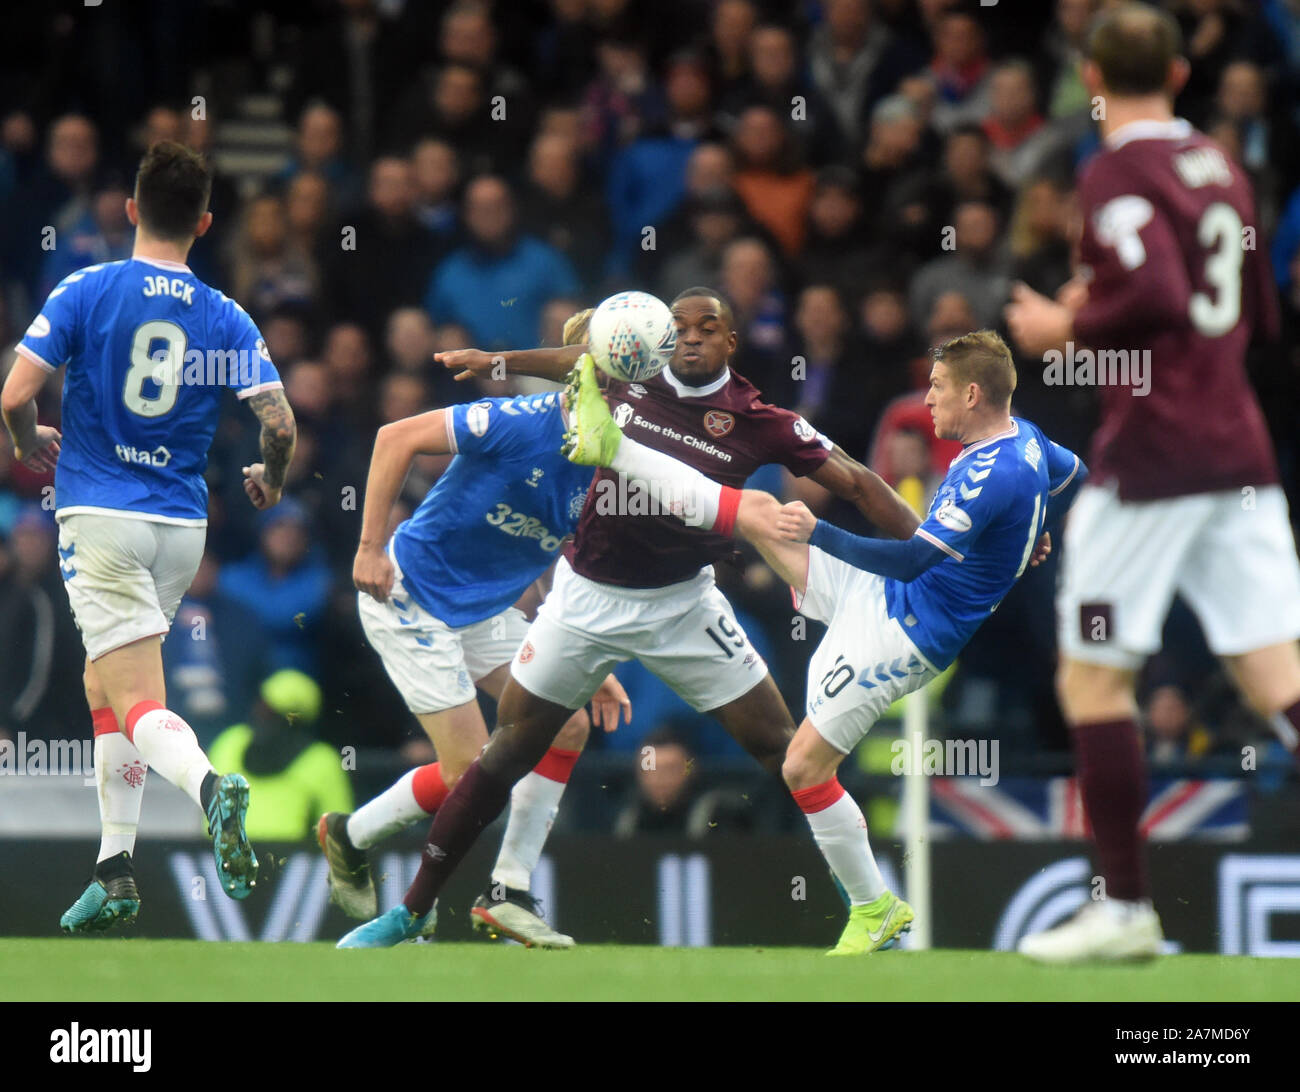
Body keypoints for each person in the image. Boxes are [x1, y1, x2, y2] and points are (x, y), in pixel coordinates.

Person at [336, 286, 921, 949]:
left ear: (732, 342)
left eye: (709, 328)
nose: (693, 337)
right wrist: (498, 360)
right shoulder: (628, 384)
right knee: (503, 755)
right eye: (682, 327)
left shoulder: (763, 422)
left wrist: (942, 554)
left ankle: (871, 903)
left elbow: (859, 482)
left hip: (684, 606)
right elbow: (580, 359)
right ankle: (413, 913)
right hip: (586, 601)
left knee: (782, 748)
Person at [558, 329, 1078, 953]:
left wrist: (820, 530)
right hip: (886, 599)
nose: (928, 400)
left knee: (802, 765)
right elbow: (1074, 472)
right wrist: (1032, 531)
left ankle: (872, 907)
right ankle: (617, 449)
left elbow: (913, 561)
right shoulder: (1027, 440)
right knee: (757, 514)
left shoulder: (990, 476)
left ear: (972, 392)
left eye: (937, 388)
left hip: (901, 634)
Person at [1004, 4, 1300, 963]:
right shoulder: (1222, 165)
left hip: (1152, 467)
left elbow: (1161, 294)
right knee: (1279, 678)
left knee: (1094, 674)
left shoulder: (1115, 172)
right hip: (1239, 457)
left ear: (1091, 78)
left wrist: (1061, 329)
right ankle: (1123, 908)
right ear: (1177, 75)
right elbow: (1253, 316)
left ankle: (1124, 907)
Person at [0, 140, 296, 932]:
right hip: (181, 527)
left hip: (101, 516)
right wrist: (271, 478)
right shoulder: (225, 314)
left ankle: (209, 787)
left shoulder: (88, 287)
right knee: (106, 687)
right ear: (202, 222)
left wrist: (28, 442)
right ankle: (115, 866)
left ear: (131, 209)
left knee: (133, 697)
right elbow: (280, 421)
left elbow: (16, 392)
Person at [321, 307, 629, 949]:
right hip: (411, 594)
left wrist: (578, 656)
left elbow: (552, 556)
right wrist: (370, 547)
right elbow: (393, 438)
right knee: (467, 769)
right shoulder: (519, 422)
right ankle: (351, 836)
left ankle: (509, 891)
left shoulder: (611, 462)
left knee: (565, 721)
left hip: (484, 610)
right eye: (614, 372)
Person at [208, 670, 353, 842]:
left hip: (293, 865)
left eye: (276, 716)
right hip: (217, 862)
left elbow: (339, 836)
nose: (265, 722)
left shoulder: (323, 761)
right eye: (264, 709)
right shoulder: (229, 742)